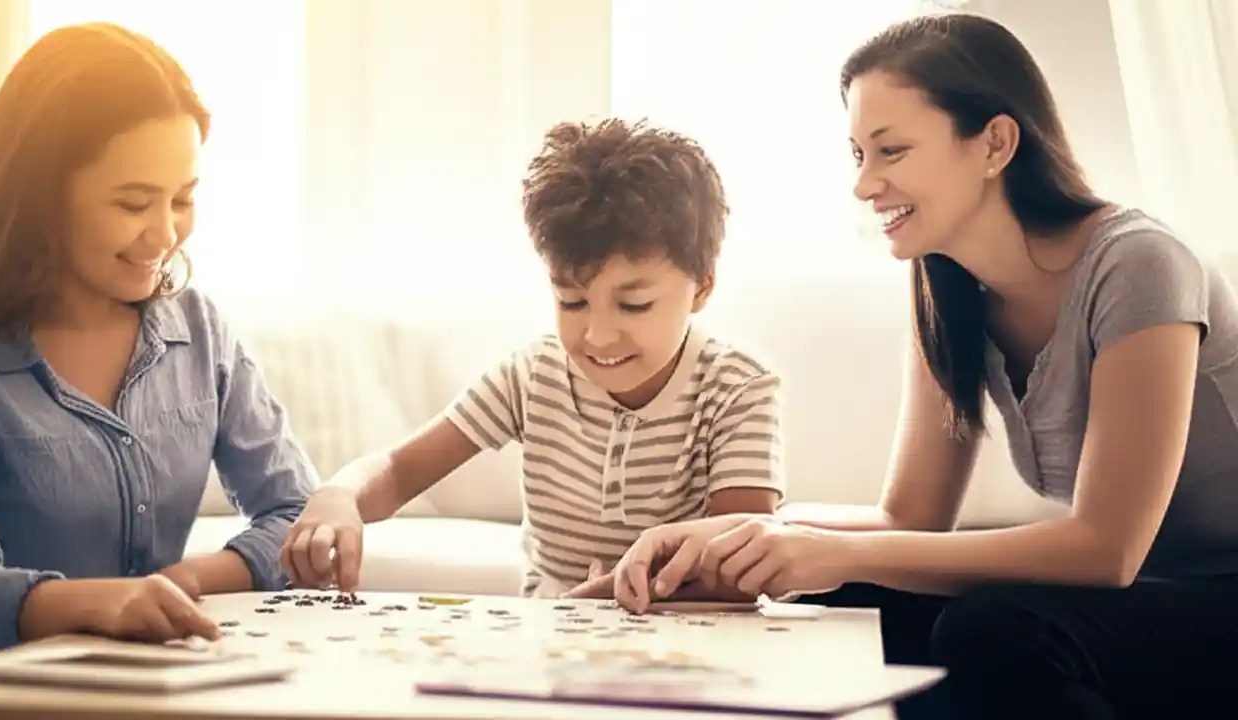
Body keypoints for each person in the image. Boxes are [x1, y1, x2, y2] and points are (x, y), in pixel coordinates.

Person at [607, 12, 1238, 720]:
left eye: (892, 151)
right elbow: (908, 518)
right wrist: (725, 535)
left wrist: (831, 554)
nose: (865, 184)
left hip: (1219, 594)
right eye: (857, 155)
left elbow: (1107, 549)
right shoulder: (943, 285)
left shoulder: (1139, 264)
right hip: (1130, 605)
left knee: (992, 630)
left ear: (995, 142)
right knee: (848, 602)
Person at [281, 118, 785, 598]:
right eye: (572, 301)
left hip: (692, 643)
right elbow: (397, 471)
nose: (598, 335)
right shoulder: (534, 375)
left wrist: (620, 593)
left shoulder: (738, 388)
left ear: (703, 287)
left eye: (633, 305)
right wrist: (339, 495)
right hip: (553, 636)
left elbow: (736, 562)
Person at [0, 23, 317, 657]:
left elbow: (295, 512)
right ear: (40, 194)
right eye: (131, 204)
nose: (164, 236)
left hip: (163, 688)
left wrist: (188, 580)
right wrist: (100, 603)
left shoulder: (200, 332)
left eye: (181, 199)